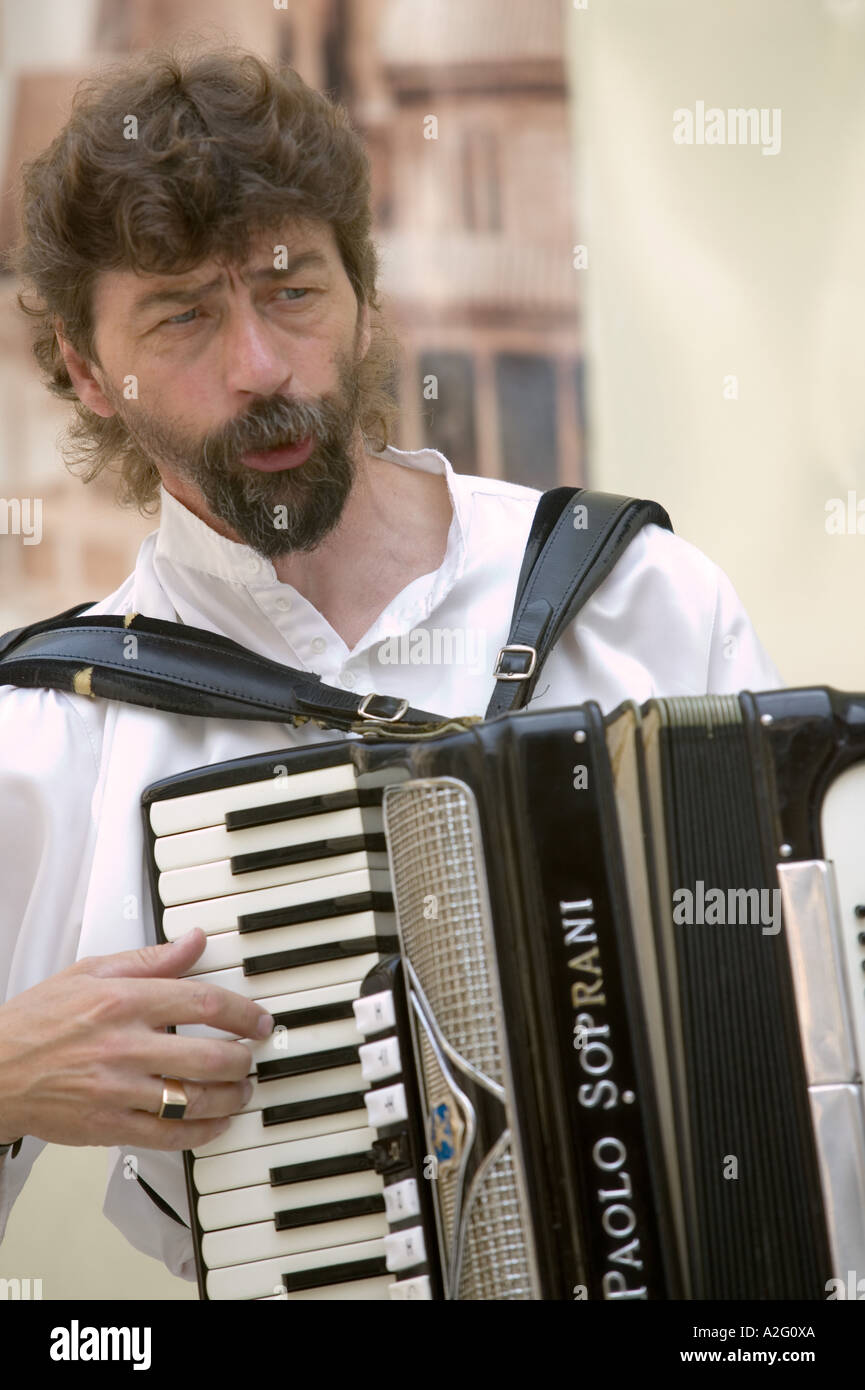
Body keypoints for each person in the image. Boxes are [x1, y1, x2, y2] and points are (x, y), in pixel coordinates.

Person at [0, 46, 781, 1283]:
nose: (260, 365)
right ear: (90, 370)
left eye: (291, 288)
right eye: (185, 314)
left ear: (361, 293)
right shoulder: (44, 739)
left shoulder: (639, 599)